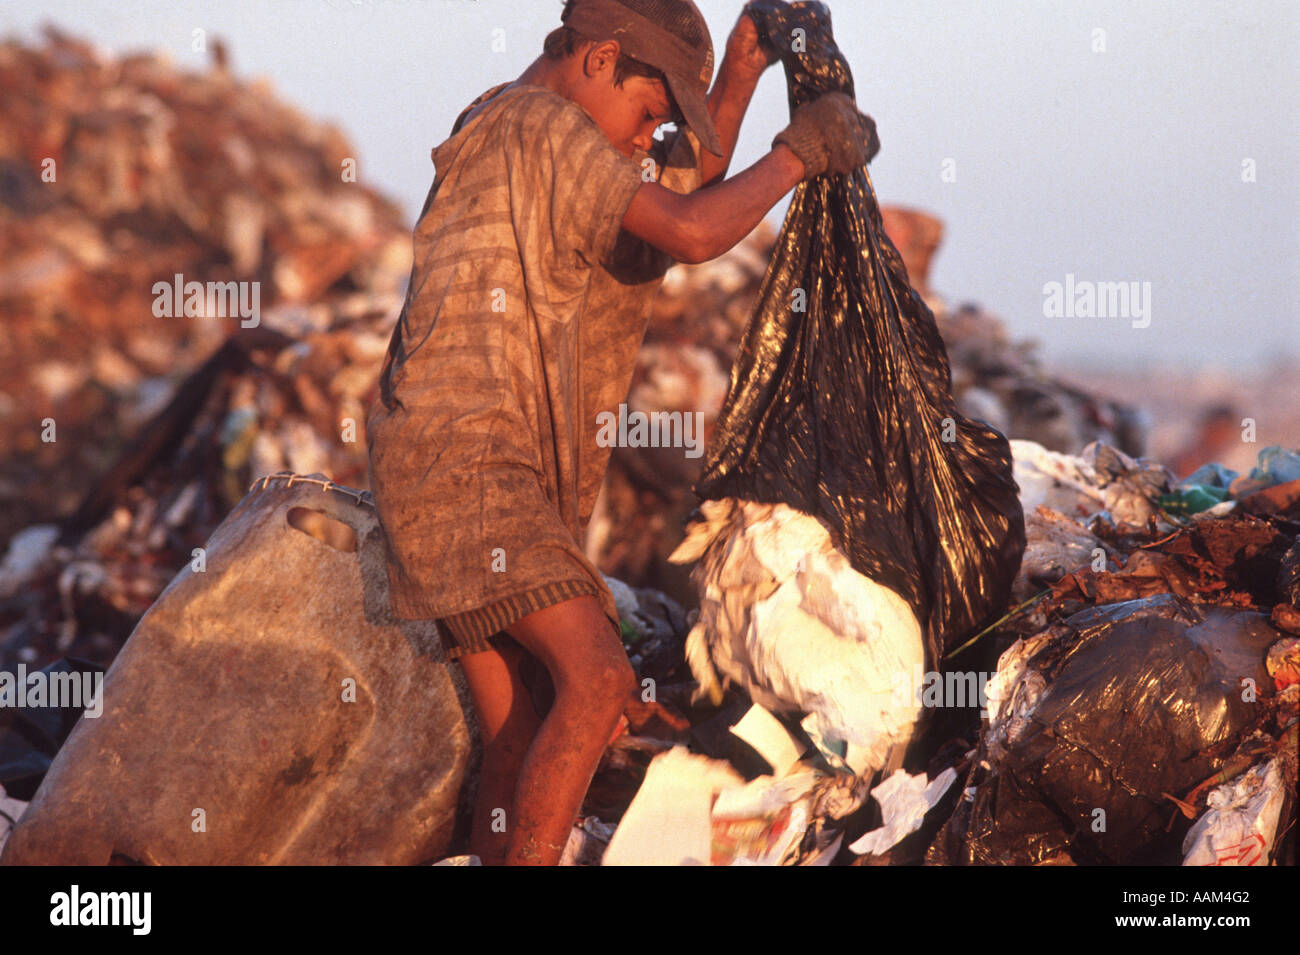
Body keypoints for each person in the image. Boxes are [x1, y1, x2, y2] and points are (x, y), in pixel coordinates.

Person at [366, 0, 874, 865]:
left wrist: (743, 68)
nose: (650, 140)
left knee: (523, 728)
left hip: (451, 463)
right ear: (599, 61)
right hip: (467, 457)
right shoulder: (538, 124)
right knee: (598, 680)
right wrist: (800, 156)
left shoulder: (526, 129)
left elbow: (682, 188)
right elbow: (690, 226)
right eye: (649, 115)